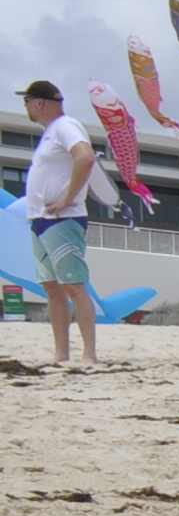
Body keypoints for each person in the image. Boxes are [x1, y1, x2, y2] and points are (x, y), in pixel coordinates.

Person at [19, 82, 96, 366]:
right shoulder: (50, 134)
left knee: (74, 285)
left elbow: (85, 157)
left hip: (62, 219)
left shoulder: (65, 126)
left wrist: (67, 198)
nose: (25, 106)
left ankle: (89, 354)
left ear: (39, 102)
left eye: (26, 101)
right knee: (51, 287)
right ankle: (61, 353)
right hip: (40, 219)